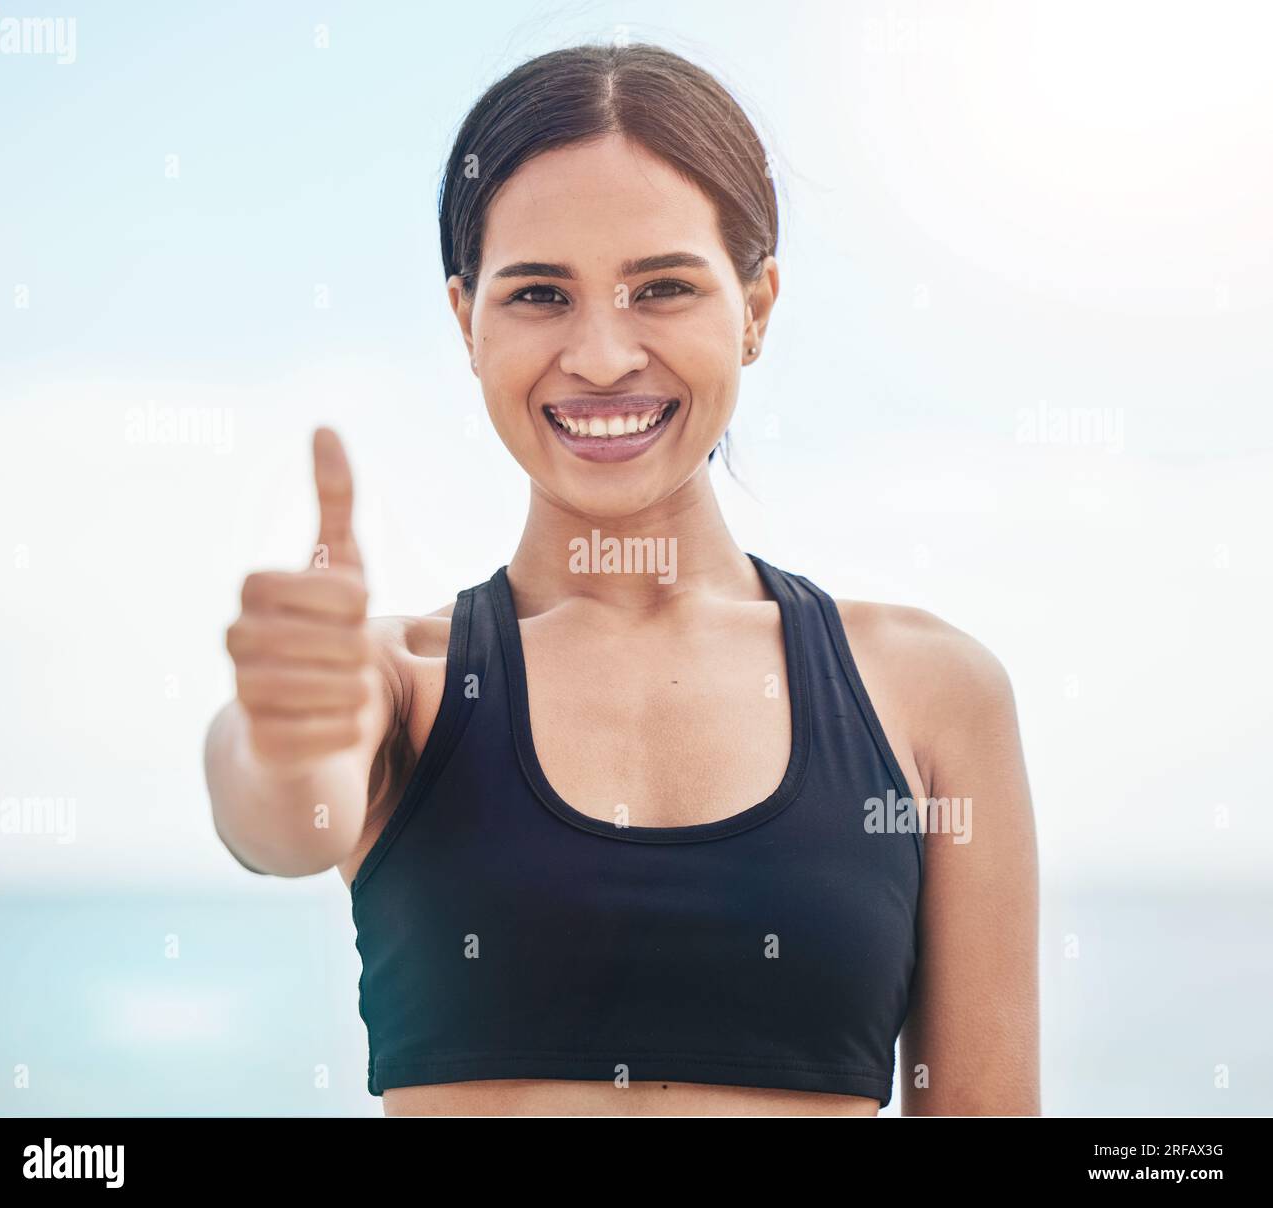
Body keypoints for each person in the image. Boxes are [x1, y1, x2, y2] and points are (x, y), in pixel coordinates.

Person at [204, 42, 1039, 1117]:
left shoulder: (929, 694)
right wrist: (278, 733)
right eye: (540, 293)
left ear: (755, 307)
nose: (601, 356)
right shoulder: (395, 684)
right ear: (468, 322)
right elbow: (281, 815)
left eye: (662, 288)